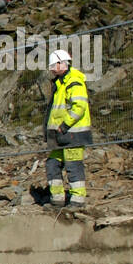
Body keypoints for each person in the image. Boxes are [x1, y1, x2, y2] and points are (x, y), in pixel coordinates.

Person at [44, 48, 92, 209]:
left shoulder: (74, 81)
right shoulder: (60, 83)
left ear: (61, 63)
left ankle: (77, 200)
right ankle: (57, 199)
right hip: (61, 134)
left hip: (72, 133)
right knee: (52, 164)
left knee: (73, 166)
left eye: (53, 65)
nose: (51, 68)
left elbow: (79, 107)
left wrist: (64, 125)